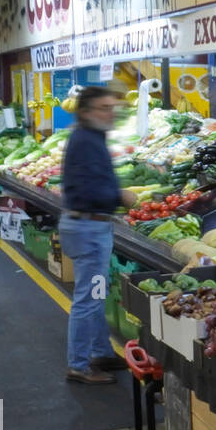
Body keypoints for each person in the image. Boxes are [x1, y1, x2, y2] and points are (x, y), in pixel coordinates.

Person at [59, 87, 135, 385]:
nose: (110, 112)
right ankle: (78, 365)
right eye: (104, 108)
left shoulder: (91, 137)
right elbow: (89, 191)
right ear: (86, 111)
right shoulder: (86, 142)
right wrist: (120, 196)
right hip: (88, 229)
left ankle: (101, 351)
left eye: (112, 107)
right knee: (87, 299)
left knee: (97, 293)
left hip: (91, 226)